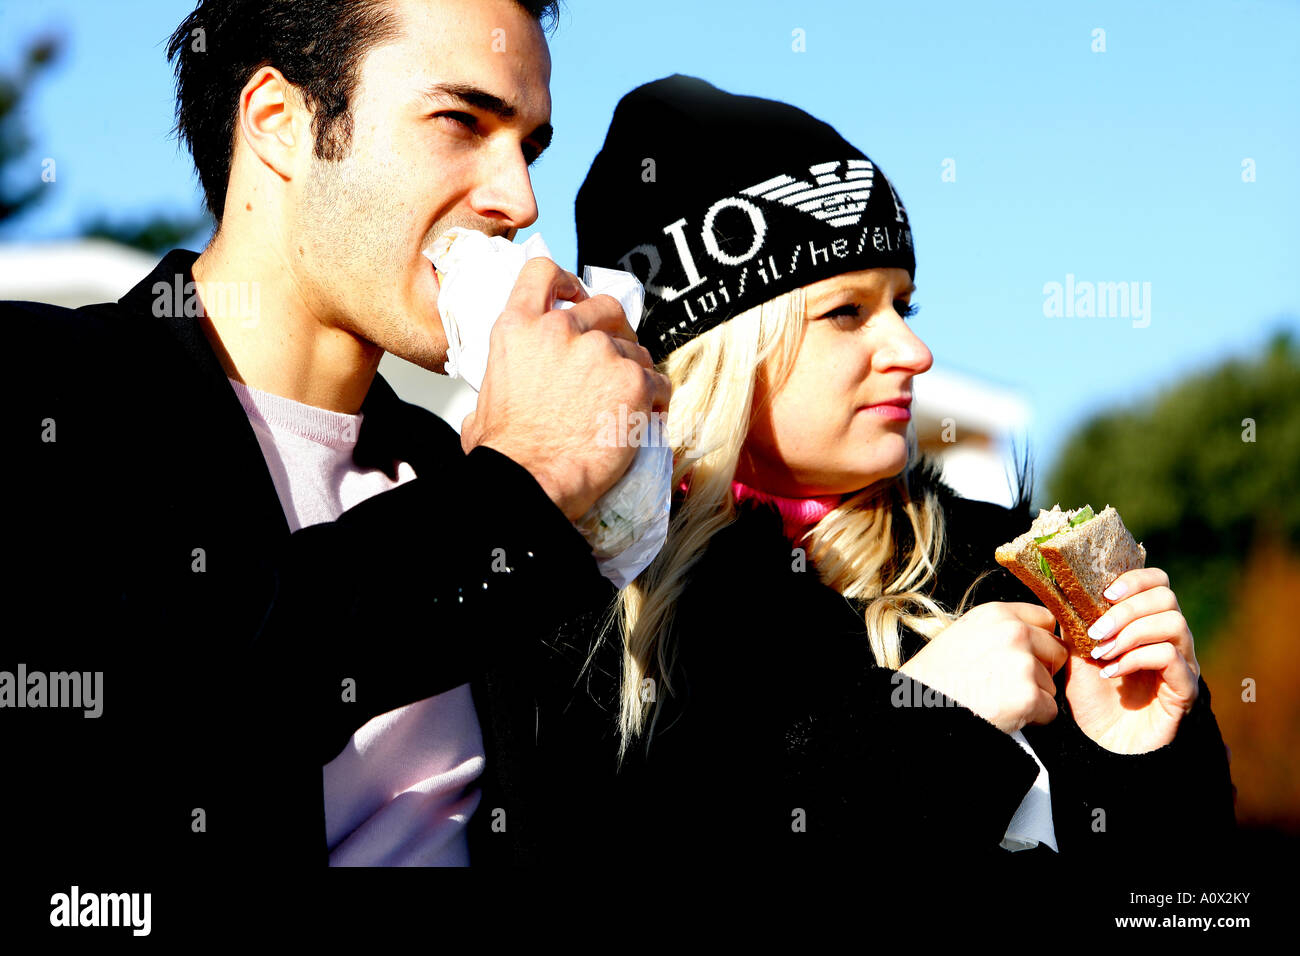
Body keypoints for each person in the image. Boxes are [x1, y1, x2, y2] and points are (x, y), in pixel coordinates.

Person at [0, 0, 670, 903]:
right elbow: (154, 707)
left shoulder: (458, 466)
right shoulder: (47, 388)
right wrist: (524, 481)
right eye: (461, 121)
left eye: (530, 146)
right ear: (279, 121)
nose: (519, 201)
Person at [535, 75, 1236, 880]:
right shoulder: (591, 611)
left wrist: (1139, 762)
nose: (913, 353)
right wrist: (929, 728)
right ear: (719, 348)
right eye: (846, 312)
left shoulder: (1010, 581)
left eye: (906, 305)